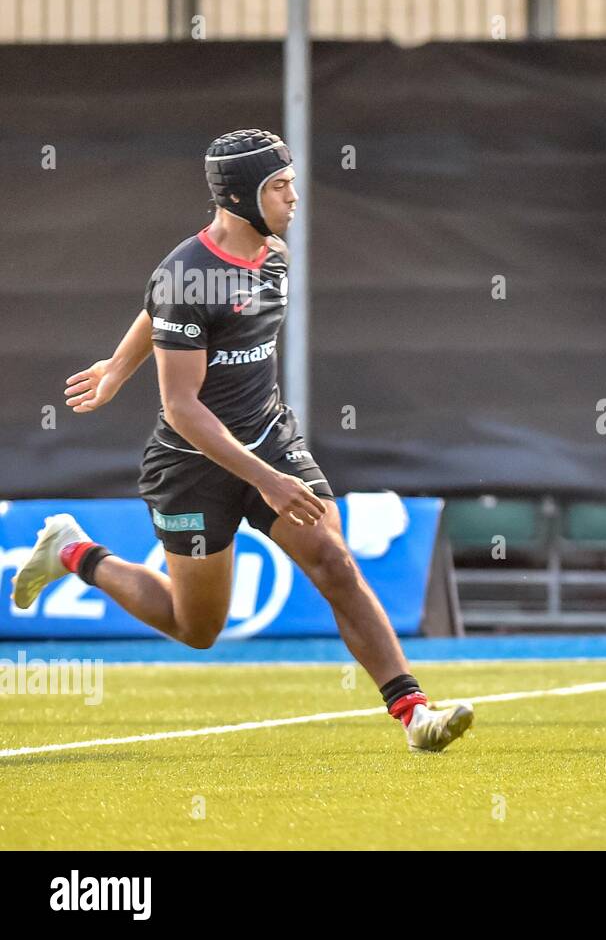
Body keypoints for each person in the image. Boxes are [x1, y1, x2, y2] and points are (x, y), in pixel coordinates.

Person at [11, 129, 471, 754]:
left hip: (269, 441)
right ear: (239, 196)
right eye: (279, 186)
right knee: (195, 627)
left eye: (291, 182)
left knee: (334, 561)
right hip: (192, 466)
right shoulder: (185, 274)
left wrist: (118, 366)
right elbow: (180, 407)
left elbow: (157, 315)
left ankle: (413, 711)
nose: (293, 197)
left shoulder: (273, 254)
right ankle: (74, 553)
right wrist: (266, 479)